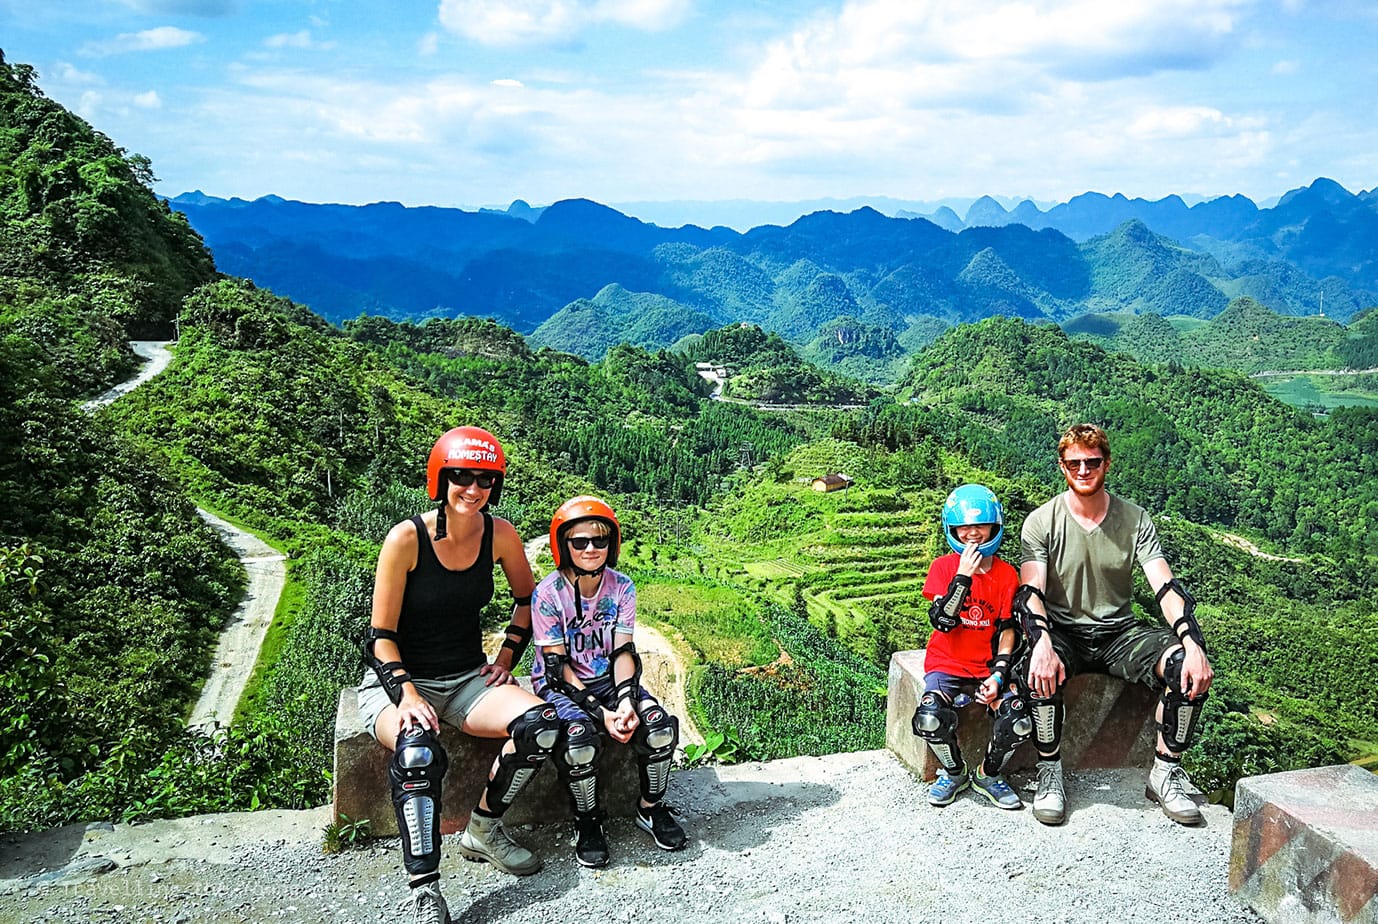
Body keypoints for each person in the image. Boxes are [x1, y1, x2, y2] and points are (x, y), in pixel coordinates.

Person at [360, 426, 561, 924]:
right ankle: (424, 889)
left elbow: (527, 602)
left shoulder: (500, 534)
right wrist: (406, 695)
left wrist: (506, 659)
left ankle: (484, 830)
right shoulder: (407, 539)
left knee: (542, 725)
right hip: (400, 682)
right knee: (417, 754)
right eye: (462, 477)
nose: (473, 489)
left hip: (468, 678)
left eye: (485, 480)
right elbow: (379, 634)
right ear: (440, 479)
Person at [1017, 423, 1213, 826]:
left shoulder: (1134, 519)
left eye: (1092, 462)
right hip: (1063, 630)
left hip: (1119, 633)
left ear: (1107, 463)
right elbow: (1030, 590)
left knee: (1184, 668)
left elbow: (1165, 586)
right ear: (1062, 466)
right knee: (1036, 671)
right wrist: (1040, 641)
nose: (1084, 470)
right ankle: (1050, 771)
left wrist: (1192, 643)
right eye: (1075, 463)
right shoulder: (1041, 522)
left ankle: (1164, 773)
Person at [530, 495, 687, 867]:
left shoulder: (622, 587)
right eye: (579, 541)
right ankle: (587, 821)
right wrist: (602, 714)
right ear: (563, 545)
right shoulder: (547, 595)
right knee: (580, 740)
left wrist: (626, 700)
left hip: (608, 680)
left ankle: (651, 808)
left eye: (599, 541)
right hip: (563, 686)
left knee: (659, 728)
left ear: (611, 545)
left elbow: (623, 653)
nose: (590, 549)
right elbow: (557, 669)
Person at [913, 484, 1031, 811]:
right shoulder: (943, 568)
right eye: (964, 527)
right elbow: (943, 621)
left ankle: (988, 775)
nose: (973, 534)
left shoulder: (1008, 575)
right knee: (930, 717)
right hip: (946, 664)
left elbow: (1008, 630)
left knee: (1018, 719)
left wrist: (998, 675)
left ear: (995, 526)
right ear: (953, 530)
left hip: (986, 666)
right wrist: (963, 577)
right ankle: (954, 773)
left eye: (980, 526)